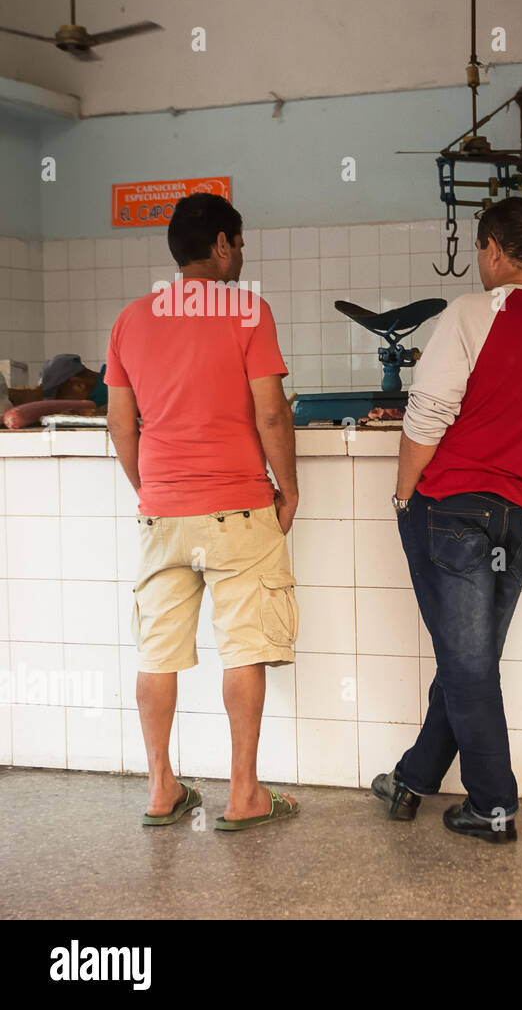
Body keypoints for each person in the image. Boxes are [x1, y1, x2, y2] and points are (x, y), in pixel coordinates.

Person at [372, 196, 522, 843]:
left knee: (467, 662)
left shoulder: (470, 313)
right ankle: (412, 779)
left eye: (479, 251)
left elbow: (426, 413)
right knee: (467, 657)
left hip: (456, 512)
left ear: (494, 248)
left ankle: (493, 804)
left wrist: (401, 495)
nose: (479, 263)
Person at [105, 193, 302, 831]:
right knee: (242, 648)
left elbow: (120, 423)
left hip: (162, 512)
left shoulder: (132, 319)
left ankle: (163, 789)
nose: (241, 255)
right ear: (220, 244)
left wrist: (151, 486)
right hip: (240, 507)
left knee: (156, 653)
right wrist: (289, 486)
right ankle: (243, 795)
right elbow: (271, 410)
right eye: (238, 243)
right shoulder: (248, 311)